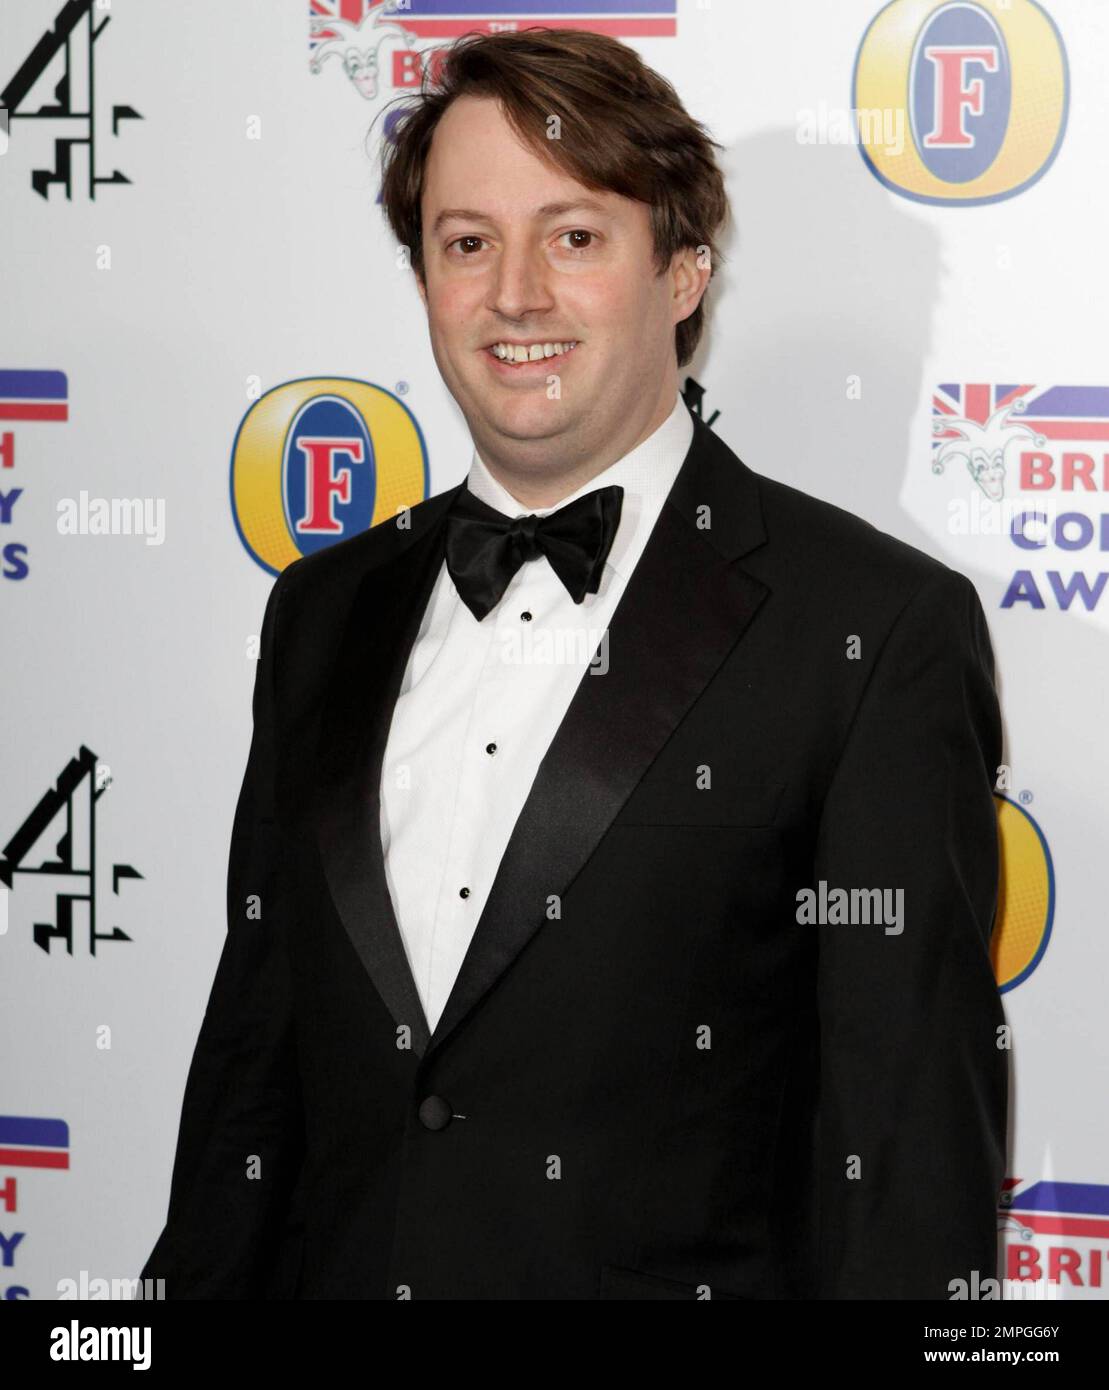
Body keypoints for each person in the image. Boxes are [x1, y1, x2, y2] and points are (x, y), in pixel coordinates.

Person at [141, 27, 1007, 1299]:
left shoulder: (871, 632)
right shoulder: (321, 611)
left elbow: (904, 1167)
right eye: (467, 242)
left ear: (682, 273)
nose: (516, 295)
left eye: (576, 236)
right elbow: (249, 1089)